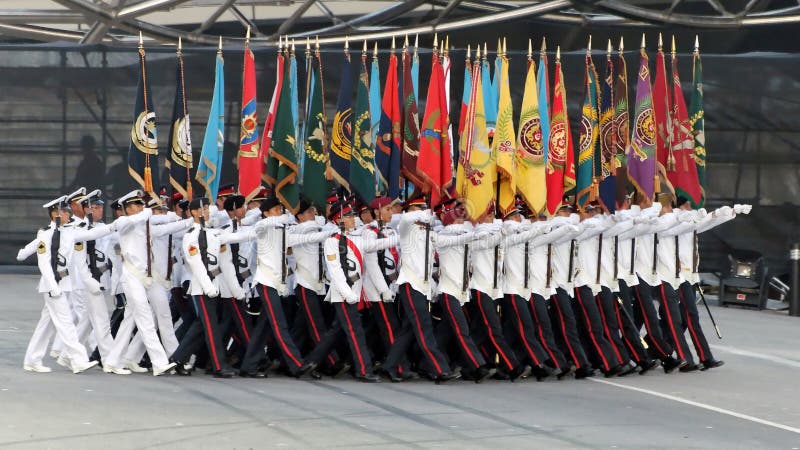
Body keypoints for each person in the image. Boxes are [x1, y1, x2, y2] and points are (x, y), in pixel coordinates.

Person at [305, 200, 397, 382]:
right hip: (343, 293)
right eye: (349, 216)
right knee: (355, 331)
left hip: (354, 292)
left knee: (335, 331)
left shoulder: (358, 239)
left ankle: (309, 363)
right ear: (339, 219)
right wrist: (346, 293)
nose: (353, 219)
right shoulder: (332, 241)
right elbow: (335, 270)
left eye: (353, 216)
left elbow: (375, 248)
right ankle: (364, 370)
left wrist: (402, 237)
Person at [17, 196, 99, 374]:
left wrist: (113, 227)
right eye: (65, 211)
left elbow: (90, 234)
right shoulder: (46, 234)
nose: (69, 215)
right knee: (66, 323)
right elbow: (44, 263)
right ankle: (77, 359)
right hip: (53, 286)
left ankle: (32, 359)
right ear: (56, 214)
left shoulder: (68, 231)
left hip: (64, 283)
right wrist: (53, 286)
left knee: (46, 325)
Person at [381, 195, 459, 383]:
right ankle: (440, 369)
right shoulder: (407, 228)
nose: (423, 213)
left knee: (408, 331)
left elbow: (443, 243)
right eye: (419, 209)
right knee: (425, 328)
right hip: (410, 284)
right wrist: (426, 212)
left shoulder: (429, 231)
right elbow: (405, 218)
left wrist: (470, 236)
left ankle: (389, 366)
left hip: (422, 287)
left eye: (424, 209)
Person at [101, 190, 177, 376]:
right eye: (139, 205)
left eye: (142, 205)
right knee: (145, 318)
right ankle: (159, 362)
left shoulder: (144, 224)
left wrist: (187, 219)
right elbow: (133, 220)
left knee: (131, 321)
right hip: (131, 278)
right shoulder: (125, 223)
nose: (143, 208)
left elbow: (163, 224)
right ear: (129, 208)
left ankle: (112, 361)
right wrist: (147, 213)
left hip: (146, 278)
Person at [433, 198, 494, 383]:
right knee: (462, 331)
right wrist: (472, 233)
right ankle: (478, 367)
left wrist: (499, 234)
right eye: (458, 220)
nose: (462, 223)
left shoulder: (464, 239)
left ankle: (432, 365)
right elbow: (460, 237)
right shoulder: (444, 237)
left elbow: (483, 244)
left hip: (460, 294)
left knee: (443, 335)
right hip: (448, 292)